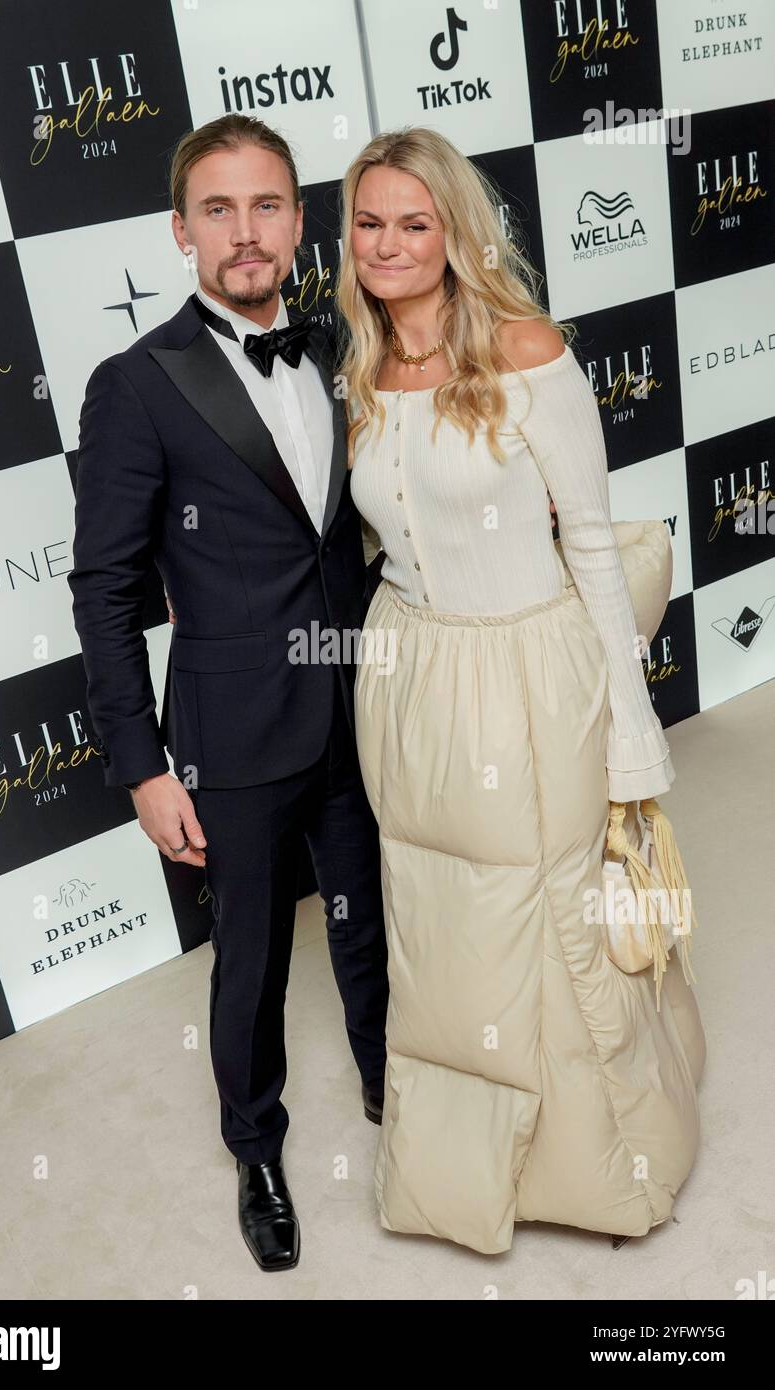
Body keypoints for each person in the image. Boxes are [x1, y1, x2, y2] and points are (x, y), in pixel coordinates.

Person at [339, 127, 706, 1254]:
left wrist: (631, 731)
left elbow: (590, 543)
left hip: (527, 668)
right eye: (367, 221)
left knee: (551, 917)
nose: (389, 244)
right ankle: (454, 1176)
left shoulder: (523, 347)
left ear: (454, 232)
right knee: (439, 927)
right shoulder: (351, 364)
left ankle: (608, 1174)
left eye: (414, 221)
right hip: (408, 672)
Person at [67, 115, 394, 1273]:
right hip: (229, 738)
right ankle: (255, 1148)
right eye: (218, 209)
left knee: (368, 926)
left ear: (298, 223)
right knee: (249, 964)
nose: (245, 234)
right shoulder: (135, 384)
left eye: (266, 206)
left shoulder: (336, 351)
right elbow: (104, 592)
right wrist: (143, 767)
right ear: (180, 229)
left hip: (354, 714)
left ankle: (389, 1088)